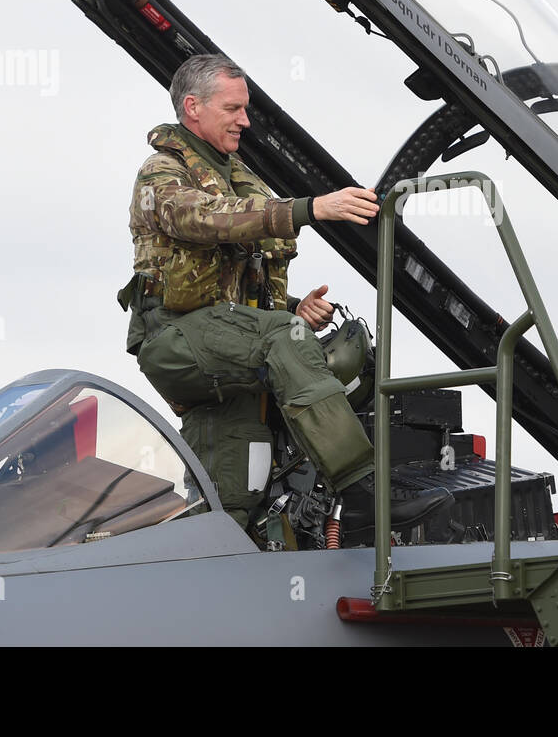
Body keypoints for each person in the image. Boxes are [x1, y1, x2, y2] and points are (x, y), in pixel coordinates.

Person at [117, 54, 449, 540]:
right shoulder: (160, 175)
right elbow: (208, 219)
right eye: (233, 108)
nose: (244, 120)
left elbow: (241, 279)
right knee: (282, 337)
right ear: (193, 107)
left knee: (232, 496)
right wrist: (313, 208)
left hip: (224, 356)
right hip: (172, 339)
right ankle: (362, 494)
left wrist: (294, 309)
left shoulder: (239, 175)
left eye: (245, 108)